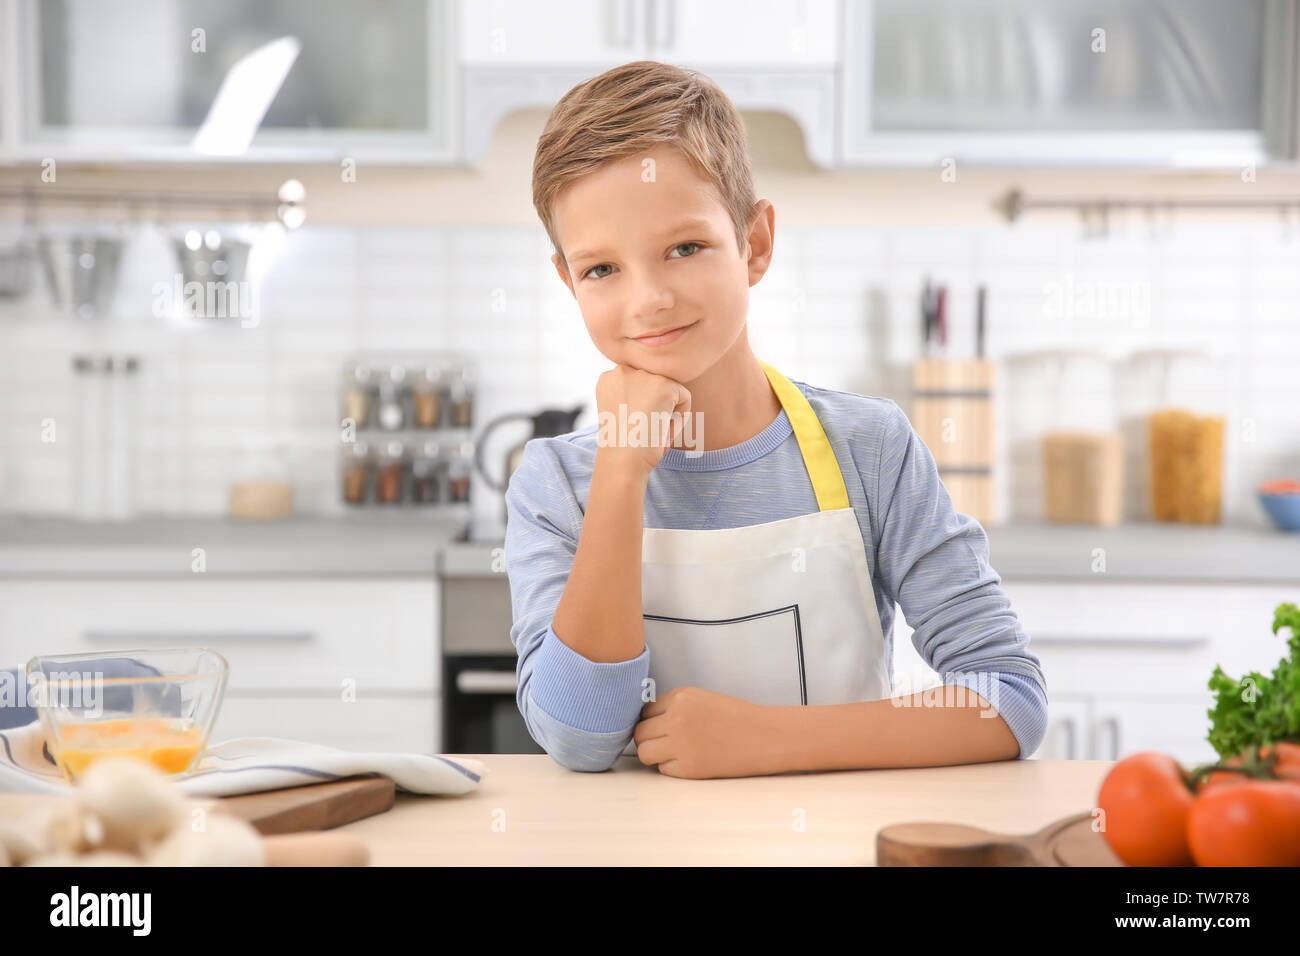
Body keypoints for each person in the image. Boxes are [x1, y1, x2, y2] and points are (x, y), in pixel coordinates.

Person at [507, 60, 1047, 778]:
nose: (650, 300)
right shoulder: (557, 484)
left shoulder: (870, 449)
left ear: (755, 244)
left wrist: (767, 741)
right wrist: (622, 469)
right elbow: (578, 737)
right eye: (602, 269)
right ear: (569, 281)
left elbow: (1007, 697)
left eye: (685, 248)